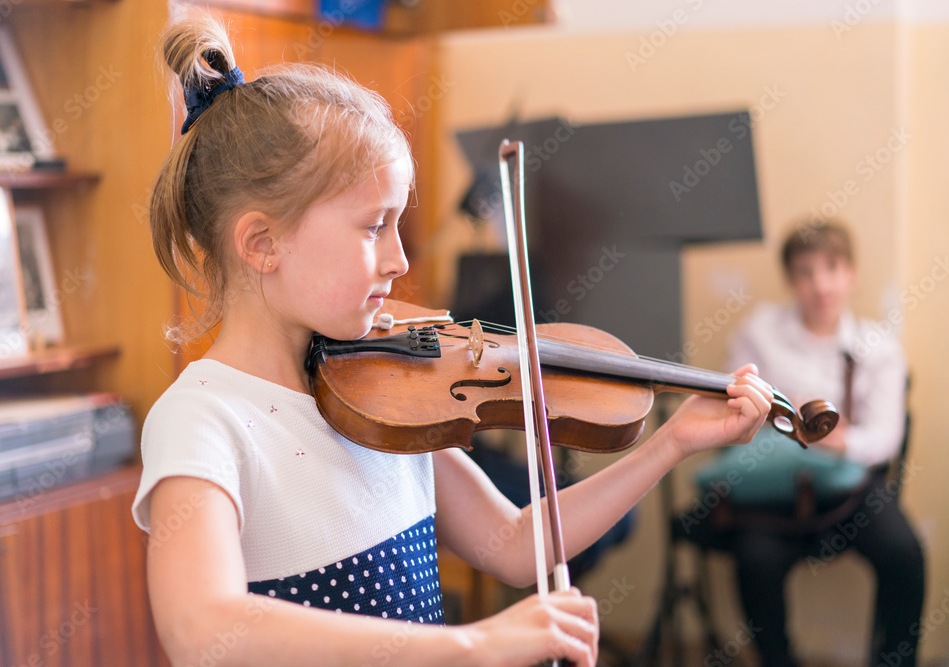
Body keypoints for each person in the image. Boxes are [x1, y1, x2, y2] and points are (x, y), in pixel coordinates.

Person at [131, 16, 775, 666]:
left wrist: (671, 444)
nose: (399, 260)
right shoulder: (202, 419)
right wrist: (472, 643)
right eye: (374, 226)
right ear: (262, 243)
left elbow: (517, 542)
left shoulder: (377, 396)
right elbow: (202, 627)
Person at [720, 221, 925, 667]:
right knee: (753, 561)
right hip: (774, 489)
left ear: (850, 273)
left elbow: (884, 438)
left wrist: (834, 438)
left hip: (852, 489)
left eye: (831, 268)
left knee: (904, 553)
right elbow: (731, 415)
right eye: (805, 272)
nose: (820, 284)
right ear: (791, 279)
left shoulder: (879, 348)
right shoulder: (760, 333)